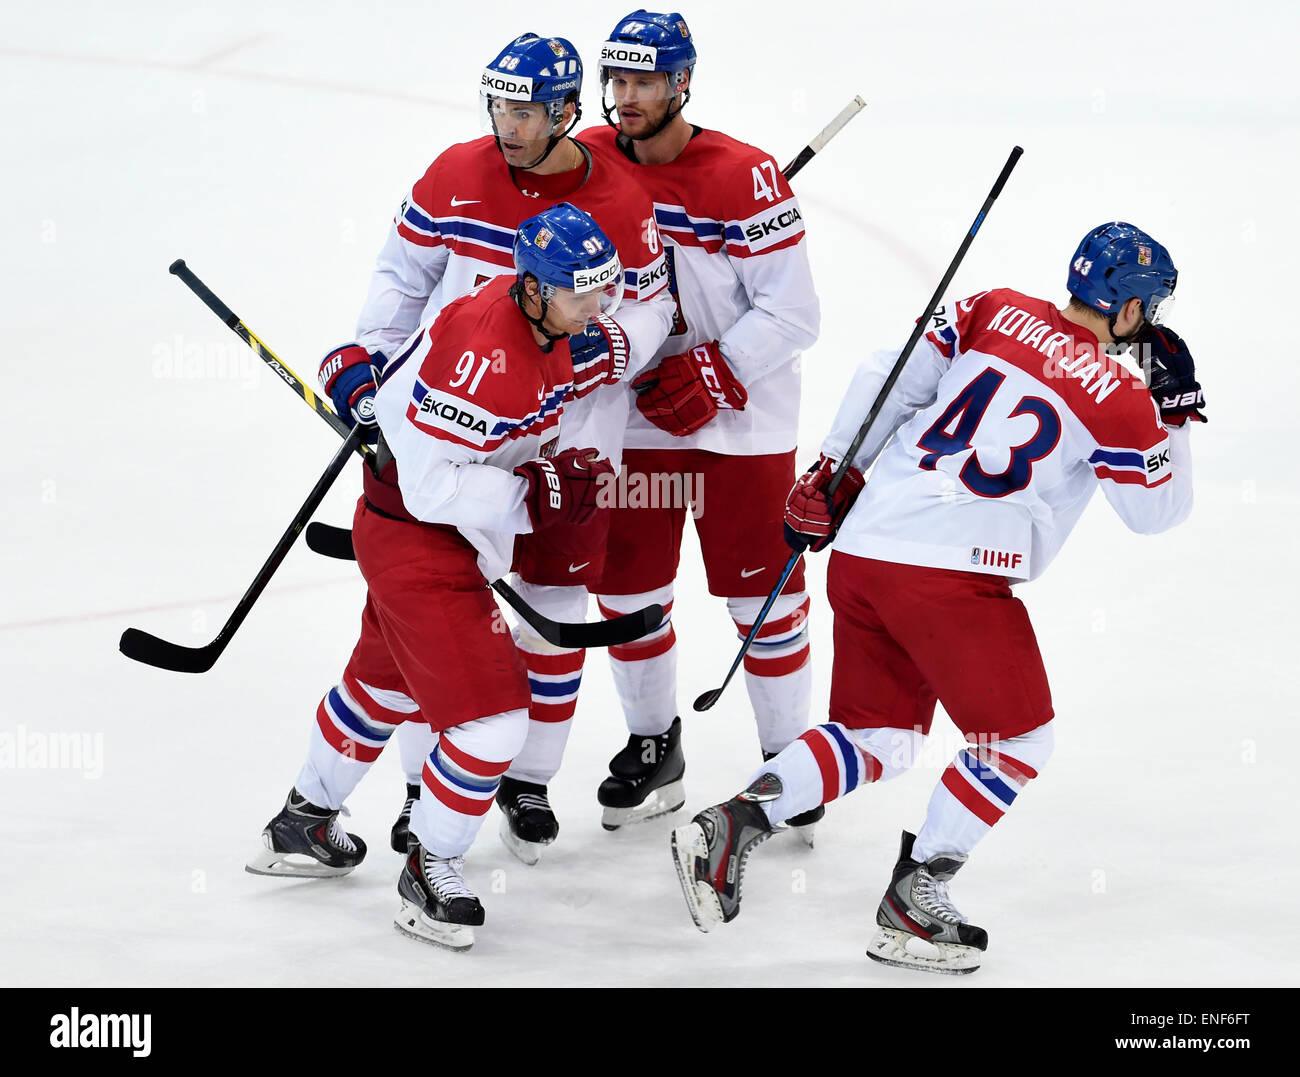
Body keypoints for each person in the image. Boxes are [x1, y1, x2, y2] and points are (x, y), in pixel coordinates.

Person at [670, 221, 1203, 974]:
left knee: (877, 735)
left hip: (865, 549)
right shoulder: (1119, 396)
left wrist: (834, 469)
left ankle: (732, 823)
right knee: (1016, 742)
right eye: (1147, 309)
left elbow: (890, 376)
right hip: (951, 575)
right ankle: (915, 900)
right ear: (1127, 311)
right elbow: (1158, 512)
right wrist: (1175, 413)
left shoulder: (993, 306)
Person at [248, 31, 675, 877]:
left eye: (524, 109)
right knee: (433, 618)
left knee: (550, 620)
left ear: (565, 111)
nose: (505, 125)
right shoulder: (454, 173)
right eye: (497, 105)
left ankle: (526, 782)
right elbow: (404, 277)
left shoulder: (620, 202)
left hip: (568, 439)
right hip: (464, 424)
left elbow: (656, 309)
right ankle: (426, 788)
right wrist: (371, 361)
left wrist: (606, 352)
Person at [266, 204, 623, 950]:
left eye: (601, 289)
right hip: (423, 539)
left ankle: (302, 821)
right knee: (493, 720)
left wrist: (539, 474)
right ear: (532, 289)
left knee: (384, 687)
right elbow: (431, 487)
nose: (596, 309)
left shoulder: (545, 322)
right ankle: (429, 867)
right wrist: (535, 492)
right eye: (580, 293)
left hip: (441, 535)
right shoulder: (484, 354)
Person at [578, 11, 823, 835]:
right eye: (617, 80)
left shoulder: (746, 175)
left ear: (682, 83)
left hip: (741, 429)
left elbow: (794, 315)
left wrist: (715, 368)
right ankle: (655, 747)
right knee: (628, 592)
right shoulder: (590, 162)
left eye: (644, 81)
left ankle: (787, 764)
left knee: (765, 601)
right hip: (637, 417)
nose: (625, 97)